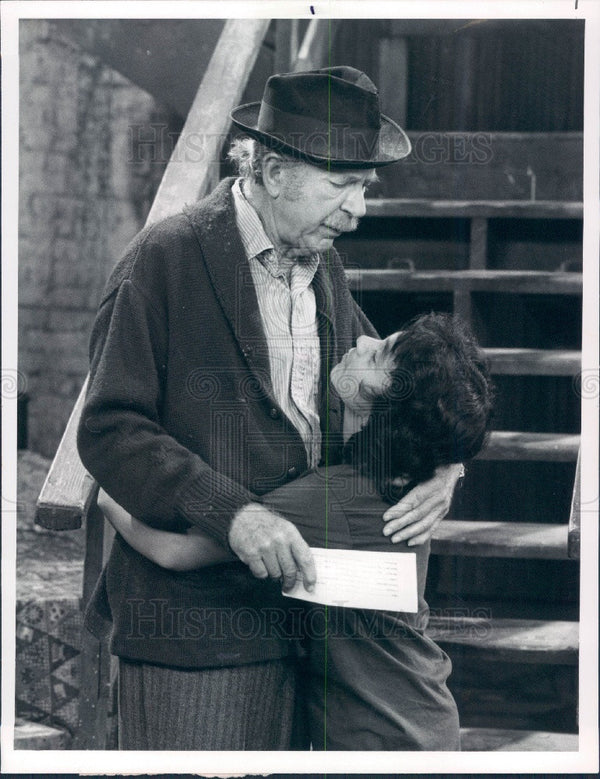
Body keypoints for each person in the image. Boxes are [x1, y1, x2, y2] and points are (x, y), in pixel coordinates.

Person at [77, 65, 464, 750]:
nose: (359, 209)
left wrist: (444, 464)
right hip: (197, 636)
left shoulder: (325, 264)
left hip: (301, 633)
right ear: (275, 170)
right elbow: (110, 429)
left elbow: (404, 378)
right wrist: (236, 513)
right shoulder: (164, 260)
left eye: (365, 188)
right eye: (342, 185)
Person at [98, 312, 494, 750]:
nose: (362, 338)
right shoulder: (393, 477)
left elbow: (176, 551)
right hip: (408, 722)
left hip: (387, 738)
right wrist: (448, 465)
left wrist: (109, 492)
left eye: (378, 353)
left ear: (386, 406)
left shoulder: (339, 498)